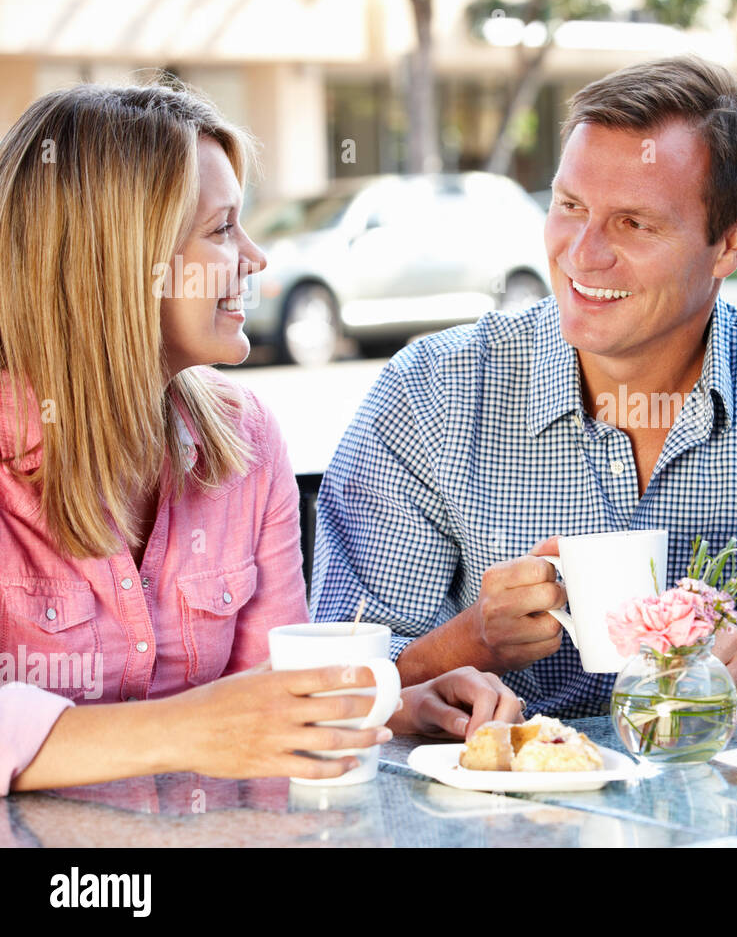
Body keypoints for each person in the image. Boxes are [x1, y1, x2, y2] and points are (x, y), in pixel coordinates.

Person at [311, 56, 737, 716]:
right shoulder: (430, 393)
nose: (582, 253)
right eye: (570, 206)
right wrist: (472, 642)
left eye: (633, 223)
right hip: (492, 806)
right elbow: (338, 679)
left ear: (732, 244)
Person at [0, 81, 520, 795]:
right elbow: (217, 724)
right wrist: (186, 729)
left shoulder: (243, 439)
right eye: (221, 230)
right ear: (123, 260)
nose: (257, 257)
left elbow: (264, 698)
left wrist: (390, 708)